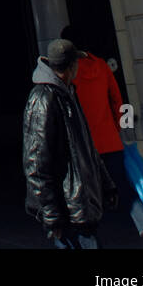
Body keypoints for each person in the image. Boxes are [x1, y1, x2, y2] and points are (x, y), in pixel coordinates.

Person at [60, 25, 143, 250]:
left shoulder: (68, 73)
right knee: (125, 189)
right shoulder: (101, 65)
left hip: (84, 146)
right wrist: (117, 128)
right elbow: (117, 100)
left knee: (84, 196)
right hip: (110, 141)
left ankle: (91, 243)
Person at [23, 37, 119, 249]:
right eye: (77, 63)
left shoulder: (68, 92)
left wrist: (106, 184)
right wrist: (50, 214)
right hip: (66, 208)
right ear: (71, 66)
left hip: (79, 204)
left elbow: (86, 147)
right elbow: (36, 163)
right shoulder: (43, 98)